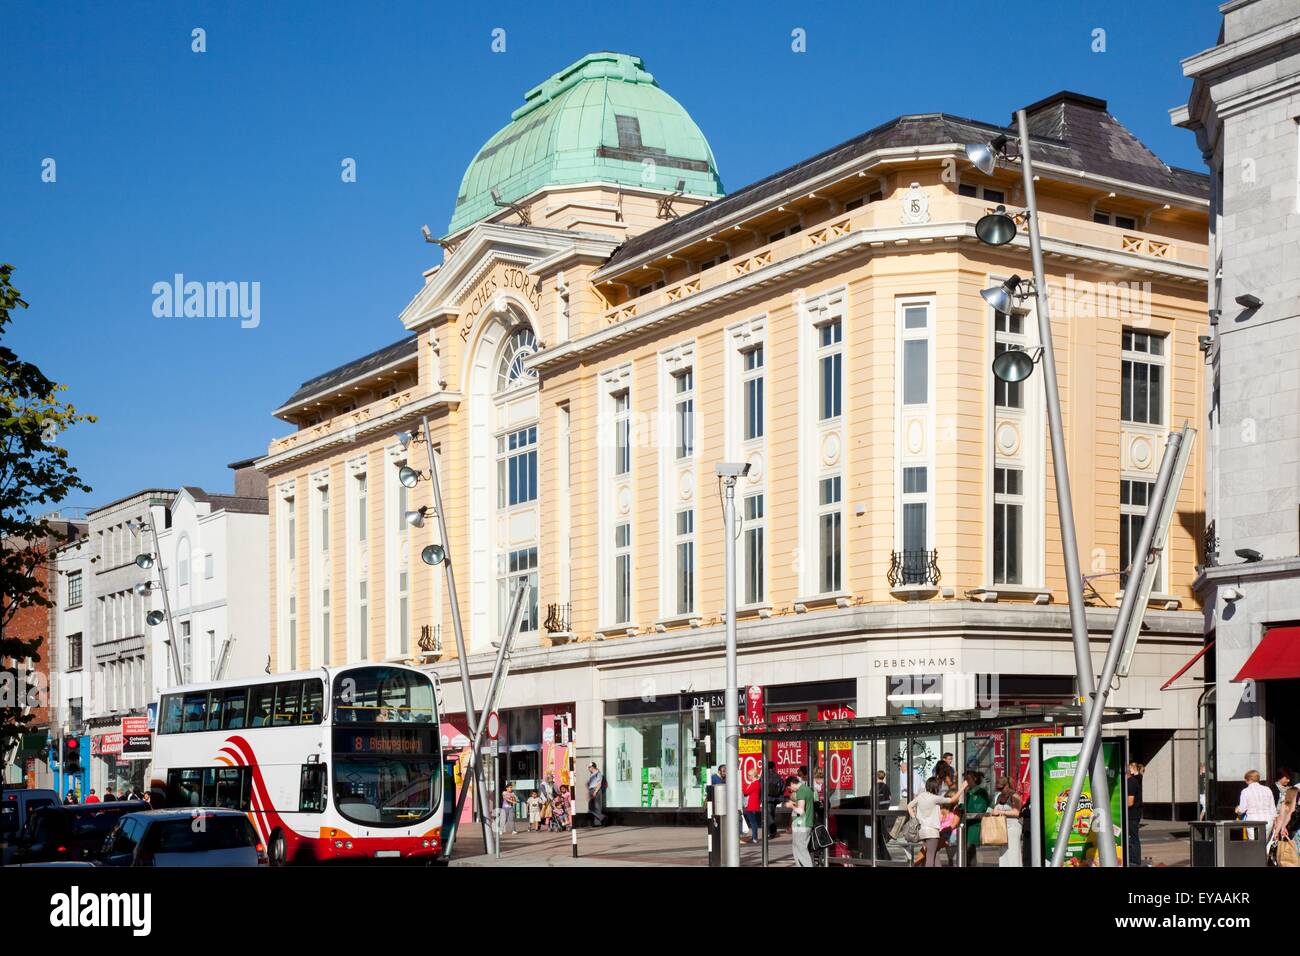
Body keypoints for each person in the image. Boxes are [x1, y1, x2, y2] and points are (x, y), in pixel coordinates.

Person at [907, 775, 969, 868]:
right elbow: (953, 799)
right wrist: (962, 788)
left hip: (922, 831)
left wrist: (914, 818)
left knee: (935, 855)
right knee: (931, 857)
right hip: (932, 832)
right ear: (935, 787)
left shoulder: (921, 796)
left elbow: (909, 806)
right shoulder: (935, 798)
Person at [784, 773, 816, 867]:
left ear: (792, 783)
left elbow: (800, 811)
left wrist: (791, 806)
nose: (790, 790)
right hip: (807, 823)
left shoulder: (801, 791)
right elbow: (805, 806)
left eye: (789, 788)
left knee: (801, 850)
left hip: (802, 824)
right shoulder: (808, 789)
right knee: (799, 848)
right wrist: (794, 803)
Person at [991, 777, 1023, 867]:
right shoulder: (999, 797)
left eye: (1001, 788)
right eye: (998, 788)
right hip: (1002, 827)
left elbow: (1017, 812)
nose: (1000, 790)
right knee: (1003, 853)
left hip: (1013, 827)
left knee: (1013, 852)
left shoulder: (1014, 796)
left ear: (1007, 786)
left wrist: (1001, 812)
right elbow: (995, 808)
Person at [964, 770, 990, 859]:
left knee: (969, 847)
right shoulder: (967, 792)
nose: (966, 781)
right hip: (966, 823)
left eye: (968, 779)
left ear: (974, 779)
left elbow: (983, 807)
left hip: (975, 824)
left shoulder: (981, 792)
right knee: (968, 850)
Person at [1127, 761, 1145, 866]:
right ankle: (1133, 859)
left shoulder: (1131, 782)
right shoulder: (1132, 781)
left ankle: (1135, 860)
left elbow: (1130, 802)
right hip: (1133, 814)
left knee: (1133, 838)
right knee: (1132, 838)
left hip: (1132, 815)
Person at [742, 766, 762, 845]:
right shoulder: (756, 783)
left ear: (753, 775)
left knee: (753, 822)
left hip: (752, 805)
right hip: (753, 804)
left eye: (749, 775)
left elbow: (746, 792)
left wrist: (743, 785)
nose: (748, 777)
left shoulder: (755, 783)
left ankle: (754, 838)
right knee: (753, 821)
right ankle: (754, 837)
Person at [765, 761, 784, 838]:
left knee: (768, 815)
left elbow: (761, 785)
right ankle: (772, 831)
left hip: (768, 798)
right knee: (771, 813)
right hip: (775, 798)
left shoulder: (765, 775)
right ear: (773, 767)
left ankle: (771, 830)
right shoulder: (777, 776)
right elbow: (782, 787)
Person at [586, 762, 606, 827]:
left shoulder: (598, 773)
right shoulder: (592, 774)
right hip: (592, 790)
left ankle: (602, 818)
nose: (588, 769)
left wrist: (595, 791)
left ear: (592, 767)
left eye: (589, 767)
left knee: (595, 806)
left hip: (595, 790)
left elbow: (599, 783)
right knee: (592, 807)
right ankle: (598, 822)